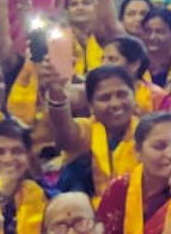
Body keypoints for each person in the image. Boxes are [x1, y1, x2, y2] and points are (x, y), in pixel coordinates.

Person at [43, 66, 139, 205]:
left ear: (134, 95)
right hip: (86, 219)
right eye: (105, 98)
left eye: (122, 94)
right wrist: (57, 93)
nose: (115, 104)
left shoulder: (146, 132)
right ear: (91, 106)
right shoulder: (86, 130)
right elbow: (65, 136)